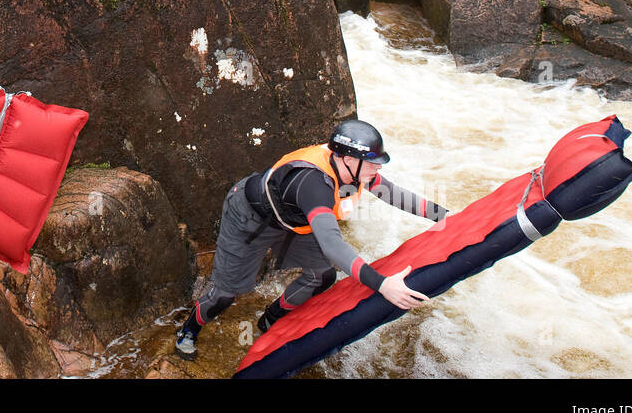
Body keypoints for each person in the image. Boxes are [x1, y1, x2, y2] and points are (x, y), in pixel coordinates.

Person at [173, 119, 448, 360]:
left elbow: (394, 193)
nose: (377, 168)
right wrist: (382, 284)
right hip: (250, 218)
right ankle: (188, 331)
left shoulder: (354, 170)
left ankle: (270, 320)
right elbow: (331, 243)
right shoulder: (313, 182)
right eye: (373, 163)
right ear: (349, 159)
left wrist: (442, 215)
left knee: (322, 275)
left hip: (293, 220)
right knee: (225, 294)